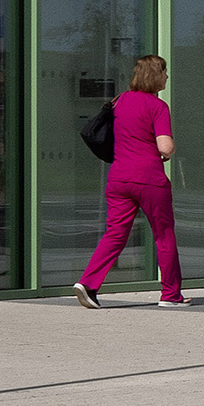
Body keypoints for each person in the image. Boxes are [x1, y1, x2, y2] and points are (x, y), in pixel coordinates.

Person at [77, 51, 184, 303]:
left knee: (114, 234)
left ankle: (88, 284)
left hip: (118, 178)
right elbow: (165, 147)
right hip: (149, 178)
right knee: (163, 234)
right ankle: (171, 294)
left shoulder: (119, 101)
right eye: (164, 72)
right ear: (156, 76)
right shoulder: (158, 106)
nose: (167, 76)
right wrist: (169, 150)